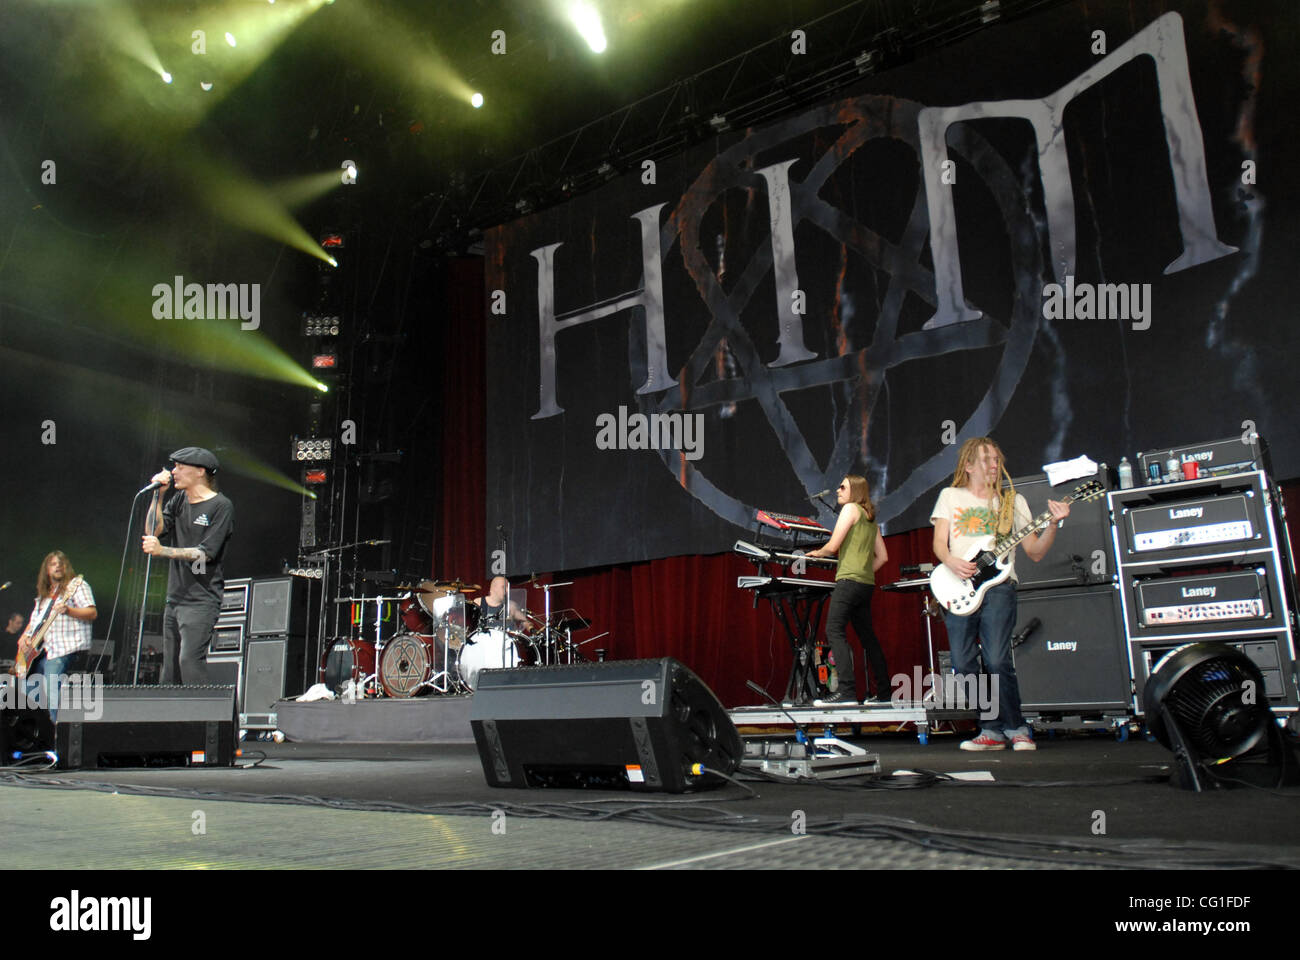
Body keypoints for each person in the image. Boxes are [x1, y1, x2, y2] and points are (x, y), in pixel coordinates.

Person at [931, 437, 1070, 751]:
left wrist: (1053, 526)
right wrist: (952, 561)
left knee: (996, 658)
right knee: (963, 664)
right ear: (968, 466)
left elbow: (1033, 551)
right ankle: (991, 730)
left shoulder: (1012, 501)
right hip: (959, 586)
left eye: (996, 459)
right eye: (985, 460)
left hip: (1000, 588)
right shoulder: (950, 496)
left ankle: (1016, 727)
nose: (994, 465)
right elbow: (939, 543)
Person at [142, 447, 234, 685]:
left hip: (201, 599)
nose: (174, 472)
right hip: (175, 598)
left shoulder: (221, 506)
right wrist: (158, 496)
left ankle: (205, 721)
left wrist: (163, 551)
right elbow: (155, 530)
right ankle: (169, 721)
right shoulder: (179, 499)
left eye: (180, 467)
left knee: (189, 661)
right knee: (169, 669)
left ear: (200, 472)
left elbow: (205, 553)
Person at [807, 474, 890, 705]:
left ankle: (847, 692)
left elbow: (833, 546)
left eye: (842, 486)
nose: (837, 490)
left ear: (855, 490)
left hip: (848, 582)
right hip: (865, 585)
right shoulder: (870, 517)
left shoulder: (851, 509)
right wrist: (863, 572)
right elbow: (883, 557)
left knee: (834, 630)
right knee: (868, 637)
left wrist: (816, 553)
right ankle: (884, 694)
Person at [17, 551, 96, 721]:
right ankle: (35, 734)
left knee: (53, 692)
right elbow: (34, 623)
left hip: (65, 648)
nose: (58, 566)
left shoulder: (77, 585)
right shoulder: (44, 597)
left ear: (67, 567)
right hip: (43, 651)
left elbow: (92, 612)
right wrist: (24, 637)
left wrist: (69, 610)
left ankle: (56, 736)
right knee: (28, 695)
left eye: (61, 563)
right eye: (53, 564)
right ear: (47, 570)